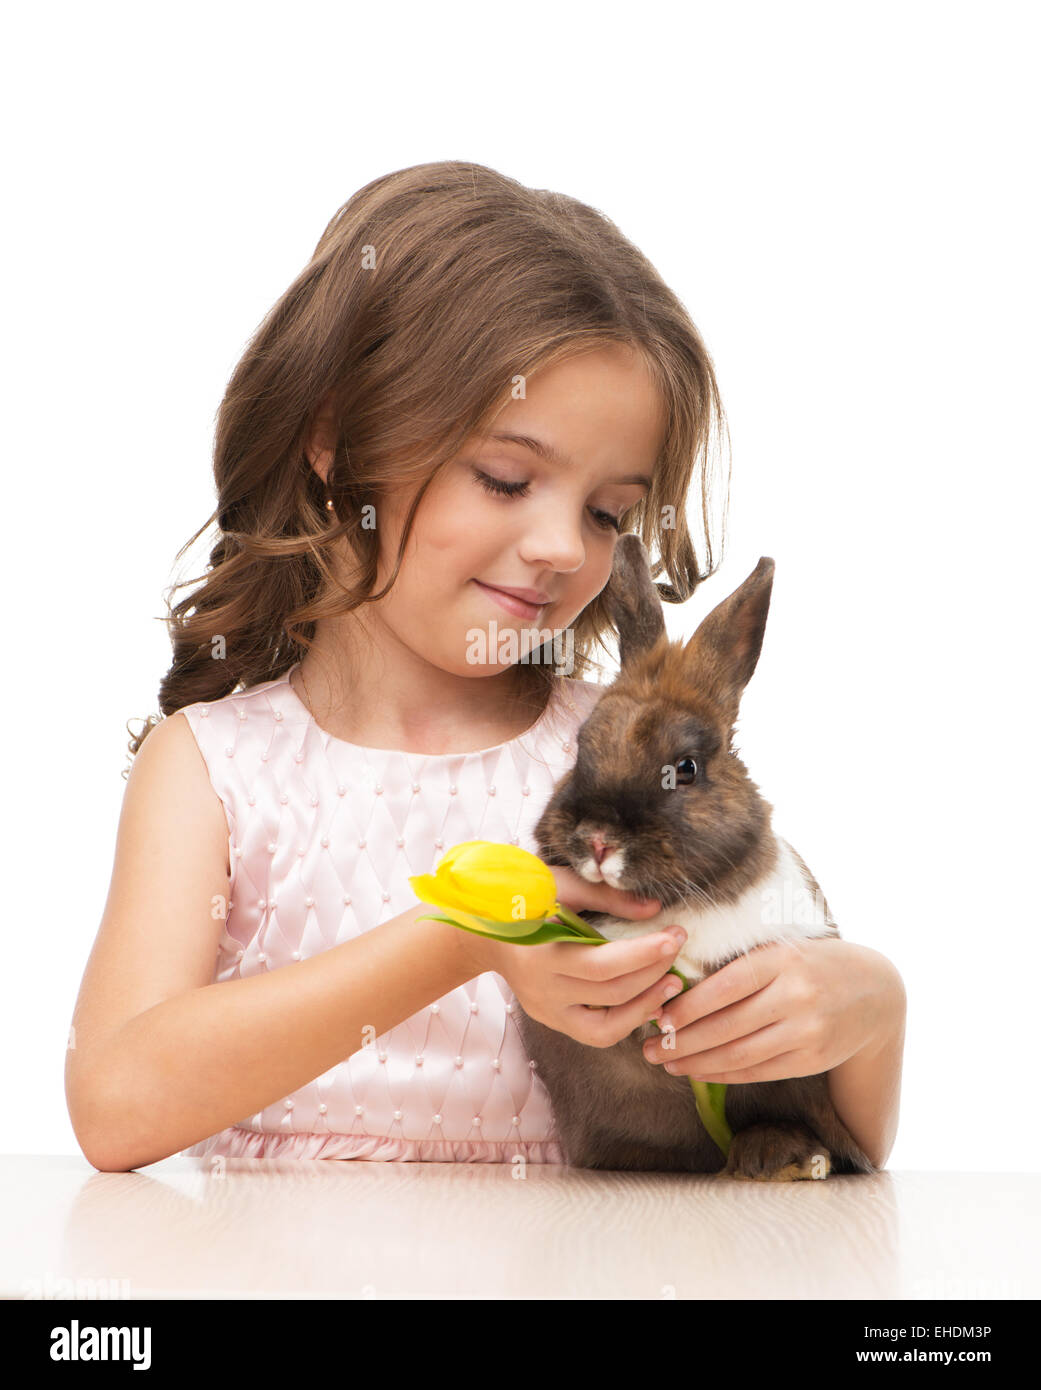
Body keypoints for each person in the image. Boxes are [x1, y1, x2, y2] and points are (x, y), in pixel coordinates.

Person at [65, 160, 904, 1172]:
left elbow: (842, 1152)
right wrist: (462, 939)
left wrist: (871, 1007)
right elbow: (115, 1106)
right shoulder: (212, 769)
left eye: (606, 513)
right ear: (336, 438)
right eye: (507, 477)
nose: (562, 545)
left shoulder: (621, 771)